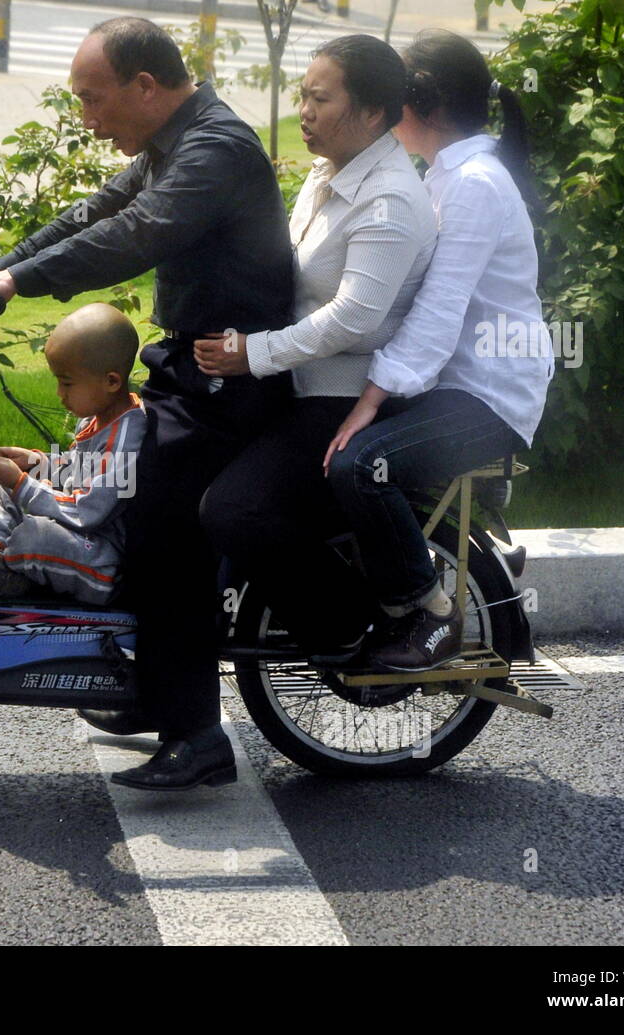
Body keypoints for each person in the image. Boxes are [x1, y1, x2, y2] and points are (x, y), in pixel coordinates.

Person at [0, 17, 294, 791]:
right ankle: (153, 686)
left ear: (145, 86)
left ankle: (197, 733)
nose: (88, 120)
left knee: (159, 513)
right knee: (118, 487)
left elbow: (138, 234)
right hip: (194, 365)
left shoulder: (214, 150)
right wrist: (1, 270)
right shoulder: (175, 140)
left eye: (95, 101)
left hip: (233, 381)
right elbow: (97, 213)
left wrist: (15, 283)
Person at [197, 34, 437, 663]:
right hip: (298, 385)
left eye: (318, 98)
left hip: (342, 399)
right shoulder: (331, 172)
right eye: (301, 94)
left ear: (372, 114)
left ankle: (352, 626)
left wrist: (254, 351)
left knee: (234, 509)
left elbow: (354, 319)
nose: (302, 109)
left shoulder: (387, 200)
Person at [319, 29, 553, 671]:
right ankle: (469, 561)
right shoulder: (443, 174)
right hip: (450, 381)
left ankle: (432, 613)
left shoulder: (475, 182)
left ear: (417, 104)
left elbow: (440, 308)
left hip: (487, 396)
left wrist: (372, 398)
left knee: (361, 465)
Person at [0, 303, 144, 606]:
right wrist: (37, 463)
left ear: (111, 381)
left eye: (67, 383)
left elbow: (87, 511)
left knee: (36, 534)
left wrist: (22, 484)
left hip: (99, 561)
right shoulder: (98, 415)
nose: (60, 394)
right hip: (77, 533)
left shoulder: (127, 437)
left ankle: (12, 571)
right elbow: (78, 471)